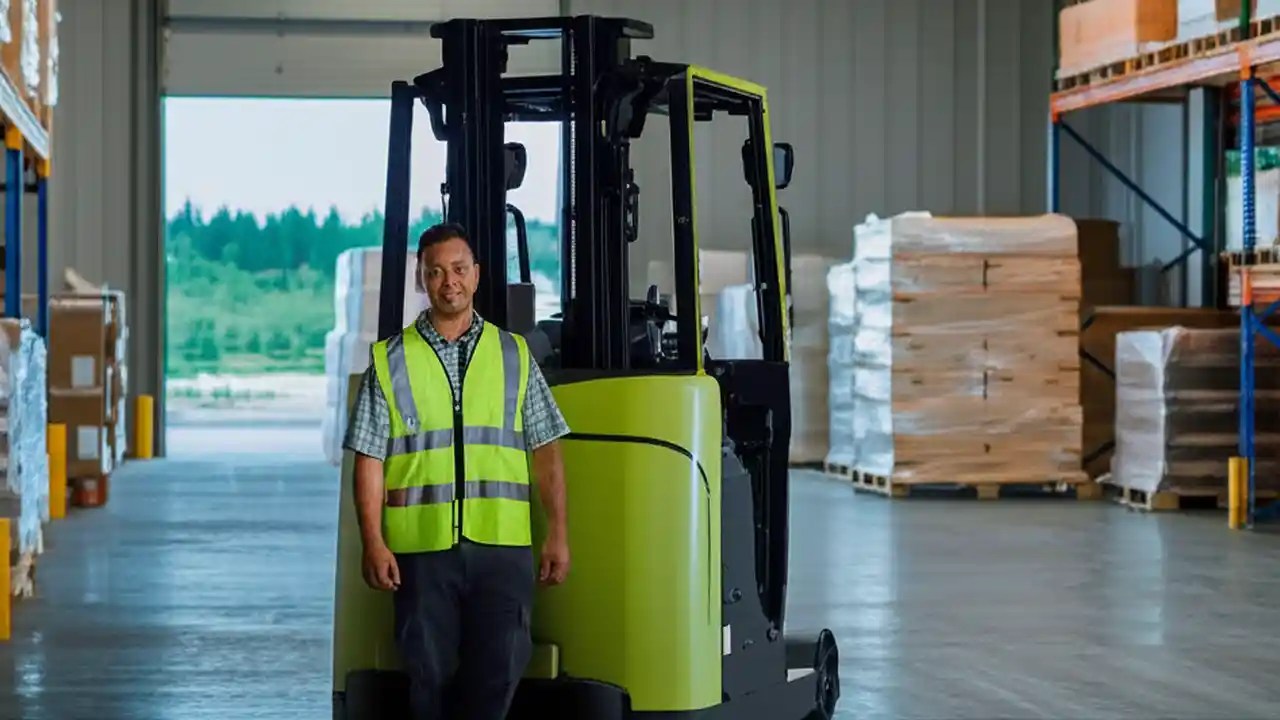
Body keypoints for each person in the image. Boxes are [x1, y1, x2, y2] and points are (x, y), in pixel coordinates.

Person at [343, 222, 570, 720]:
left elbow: (546, 449)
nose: (450, 281)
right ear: (421, 281)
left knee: (499, 674)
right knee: (429, 678)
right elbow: (369, 458)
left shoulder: (514, 355)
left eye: (460, 269)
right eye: (436, 272)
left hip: (502, 548)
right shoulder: (391, 360)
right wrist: (373, 541)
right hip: (423, 554)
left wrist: (557, 533)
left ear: (478, 274)